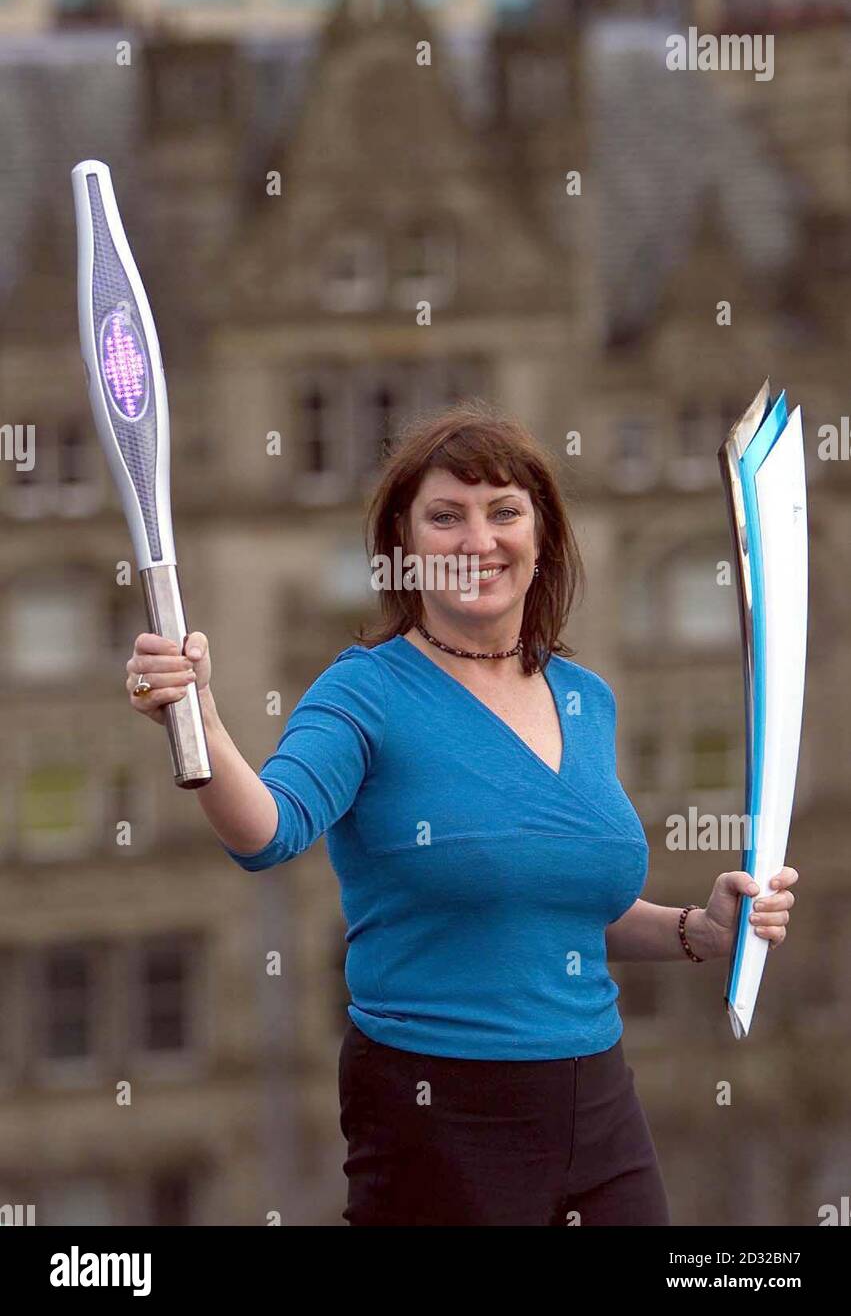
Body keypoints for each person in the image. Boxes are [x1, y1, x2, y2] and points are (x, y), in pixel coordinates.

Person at [125, 402, 798, 1226]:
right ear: (403, 551)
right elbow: (268, 828)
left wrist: (701, 930)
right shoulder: (364, 693)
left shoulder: (587, 699)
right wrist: (200, 722)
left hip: (600, 1104)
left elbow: (563, 906)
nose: (477, 541)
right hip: (436, 1114)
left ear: (542, 536)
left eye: (504, 511)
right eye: (445, 517)